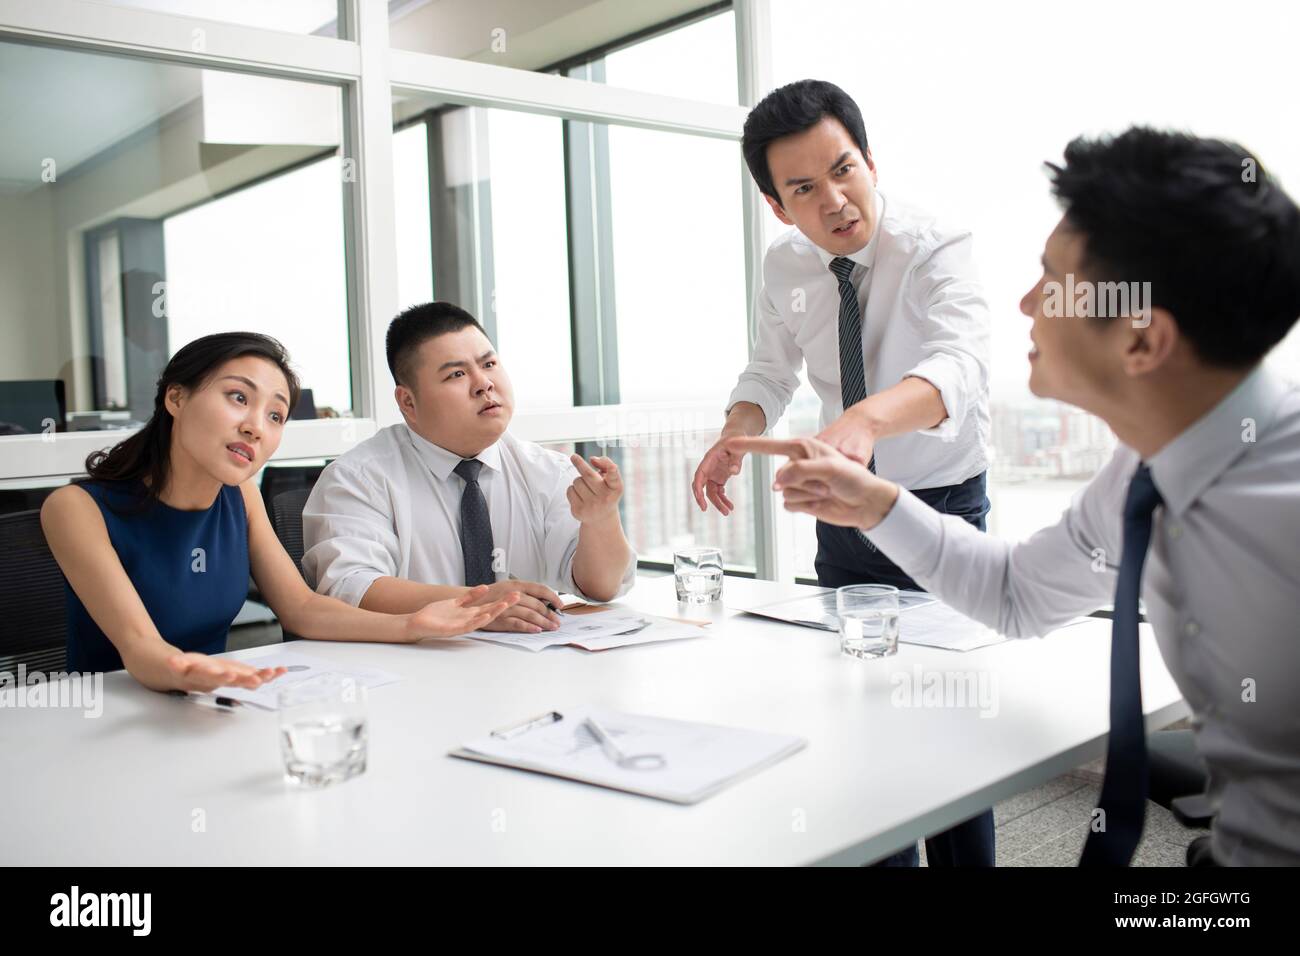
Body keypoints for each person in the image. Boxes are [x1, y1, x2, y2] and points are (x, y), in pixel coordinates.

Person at [732, 127, 1300, 866]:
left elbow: (958, 363)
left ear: (1142, 340)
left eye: (1051, 279)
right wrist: (871, 501)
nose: (1027, 302)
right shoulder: (1148, 470)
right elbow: (1017, 593)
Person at [693, 79, 994, 866]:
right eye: (802, 187)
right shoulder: (785, 263)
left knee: (946, 721)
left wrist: (862, 421)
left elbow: (959, 367)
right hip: (845, 517)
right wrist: (737, 429)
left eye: (844, 168)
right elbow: (769, 369)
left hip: (939, 505)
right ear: (776, 203)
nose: (834, 199)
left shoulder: (935, 243)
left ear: (869, 160)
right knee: (862, 718)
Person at [42, 332, 517, 693]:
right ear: (176, 398)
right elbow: (142, 650)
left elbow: (303, 608)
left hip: (211, 705)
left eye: (275, 415)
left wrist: (411, 625)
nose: (255, 427)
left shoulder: (241, 496)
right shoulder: (77, 509)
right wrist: (193, 671)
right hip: (112, 715)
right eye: (238, 397)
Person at [302, 302, 636, 628]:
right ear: (408, 402)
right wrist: (481, 604)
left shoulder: (548, 471)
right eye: (457, 374)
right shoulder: (358, 478)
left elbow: (601, 587)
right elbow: (350, 587)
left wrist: (601, 521)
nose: (484, 384)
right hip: (414, 671)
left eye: (489, 364)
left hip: (529, 671)